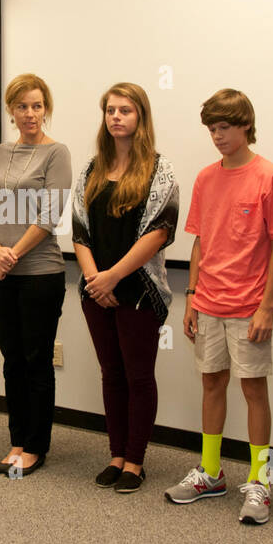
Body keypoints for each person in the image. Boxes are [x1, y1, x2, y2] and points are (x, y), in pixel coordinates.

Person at [165, 89, 273, 523]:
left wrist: (268, 307)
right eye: (211, 129)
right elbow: (201, 242)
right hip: (209, 303)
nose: (217, 136)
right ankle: (210, 472)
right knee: (211, 384)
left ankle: (259, 483)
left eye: (224, 127)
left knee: (254, 389)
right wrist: (192, 297)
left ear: (245, 126)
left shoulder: (270, 177)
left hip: (249, 306)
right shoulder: (206, 178)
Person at [72, 83, 179, 493]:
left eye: (126, 111)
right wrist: (96, 280)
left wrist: (113, 276)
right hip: (95, 290)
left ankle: (135, 461)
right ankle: (115, 455)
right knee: (110, 374)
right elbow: (80, 231)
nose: (116, 117)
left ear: (141, 118)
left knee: (138, 377)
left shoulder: (160, 169)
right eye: (110, 110)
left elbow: (159, 232)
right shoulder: (89, 170)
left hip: (139, 290)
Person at [0, 74, 73, 476]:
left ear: (46, 108)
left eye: (37, 106)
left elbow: (49, 217)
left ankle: (36, 447)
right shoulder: (0, 151)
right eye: (22, 106)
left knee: (36, 361)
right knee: (11, 360)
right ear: (11, 110)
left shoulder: (57, 153)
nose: (30, 113)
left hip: (39, 274)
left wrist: (12, 253)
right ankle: (16, 441)